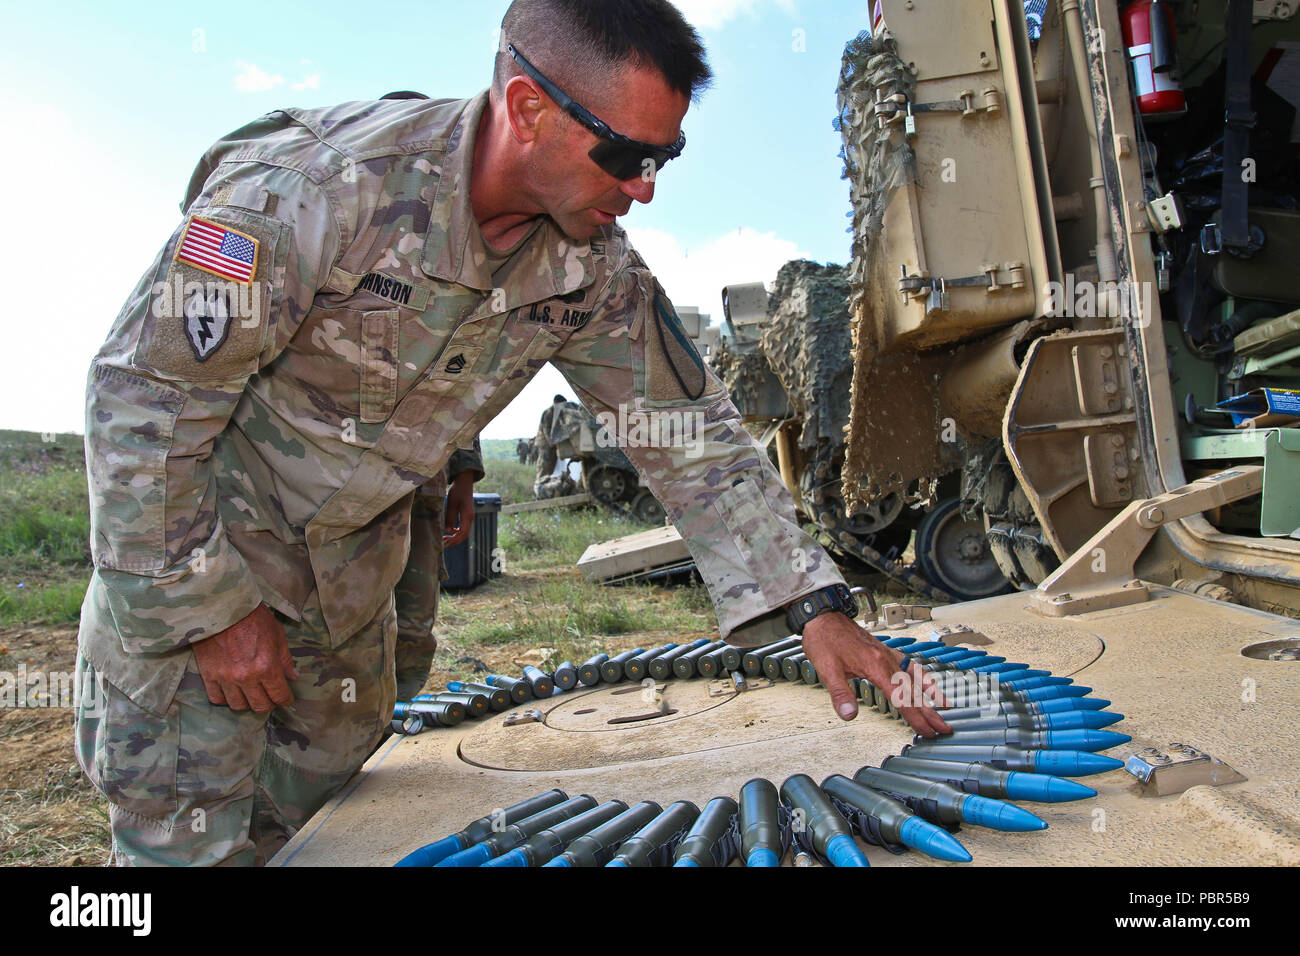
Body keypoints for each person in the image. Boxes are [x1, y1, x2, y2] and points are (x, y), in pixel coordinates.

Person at [75, 0, 950, 867]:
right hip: (205, 556)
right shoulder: (311, 191)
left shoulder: (592, 267)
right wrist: (209, 612)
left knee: (321, 832)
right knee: (188, 838)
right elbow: (140, 403)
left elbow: (695, 442)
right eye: (628, 155)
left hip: (348, 588)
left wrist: (814, 610)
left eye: (666, 157)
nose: (645, 185)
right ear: (529, 108)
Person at [393, 440, 483, 703]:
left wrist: (465, 475)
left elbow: (463, 400)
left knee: (412, 620)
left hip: (422, 480)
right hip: (341, 483)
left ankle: (394, 719)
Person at [533, 393, 567, 486]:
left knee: (551, 467)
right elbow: (546, 429)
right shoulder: (549, 412)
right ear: (555, 403)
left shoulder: (558, 413)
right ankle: (540, 489)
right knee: (544, 467)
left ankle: (547, 489)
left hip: (553, 445)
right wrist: (552, 443)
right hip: (545, 444)